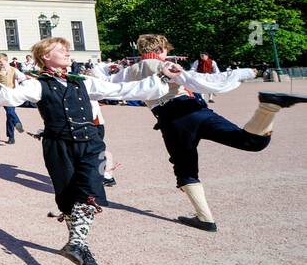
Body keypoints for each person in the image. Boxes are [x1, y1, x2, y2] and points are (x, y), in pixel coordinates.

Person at [0, 37, 177, 265]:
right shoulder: (37, 84)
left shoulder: (83, 80)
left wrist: (162, 77)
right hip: (58, 146)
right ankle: (77, 245)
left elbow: (121, 89)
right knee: (67, 197)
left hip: (90, 143)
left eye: (66, 49)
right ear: (45, 56)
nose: (66, 52)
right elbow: (11, 97)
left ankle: (75, 243)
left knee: (90, 190)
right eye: (60, 50)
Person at [100, 34, 306, 231]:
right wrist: (244, 73)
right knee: (251, 141)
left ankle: (206, 218)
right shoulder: (166, 65)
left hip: (171, 123)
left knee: (186, 169)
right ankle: (268, 107)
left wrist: (108, 69)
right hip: (194, 111)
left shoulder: (129, 71)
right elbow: (199, 80)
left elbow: (108, 84)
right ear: (161, 49)